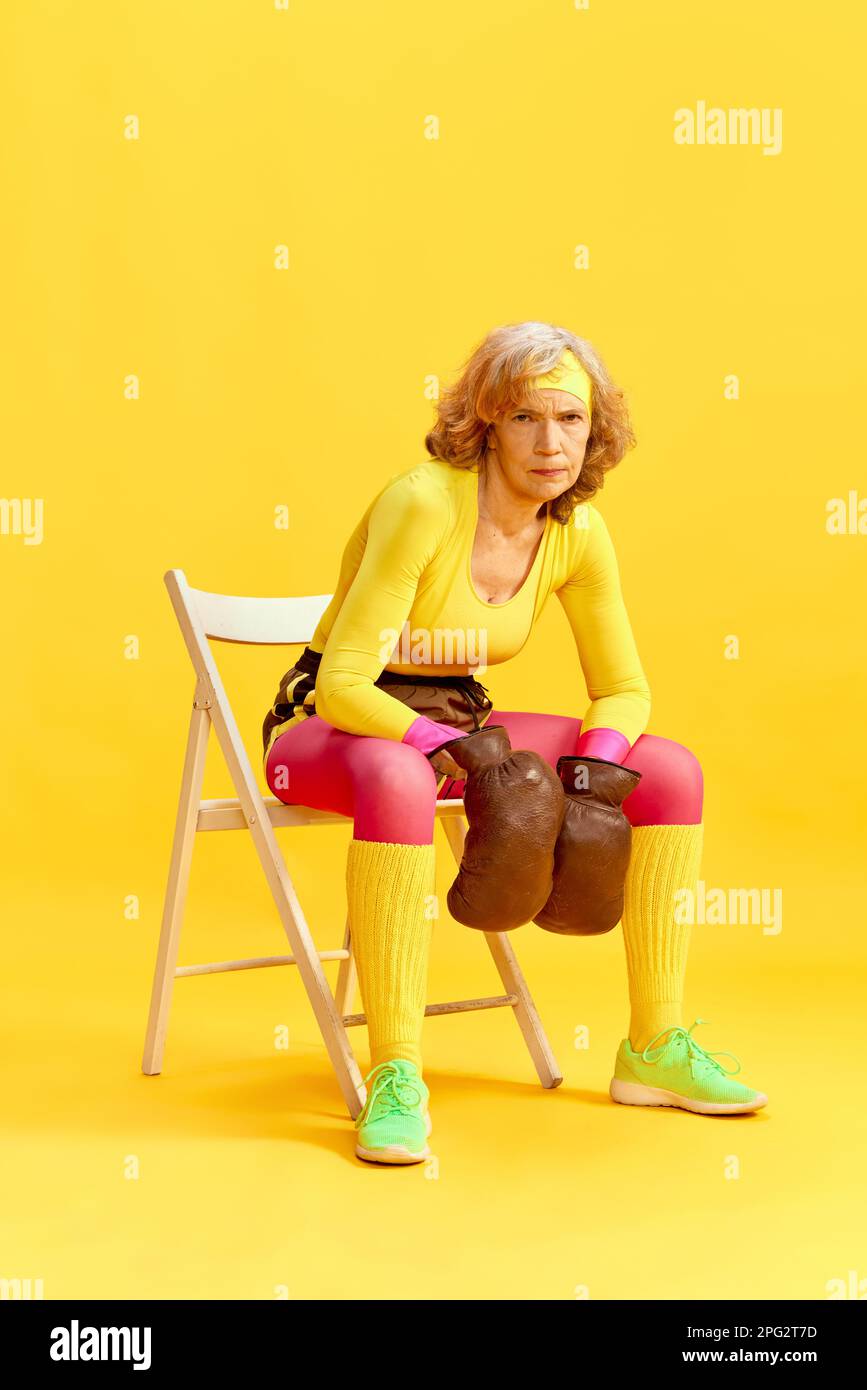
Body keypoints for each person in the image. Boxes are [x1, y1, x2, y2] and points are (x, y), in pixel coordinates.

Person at [262, 321, 768, 1164]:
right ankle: (394, 1074)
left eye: (570, 421)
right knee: (399, 779)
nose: (550, 443)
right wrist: (453, 749)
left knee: (667, 768)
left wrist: (599, 773)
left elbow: (622, 688)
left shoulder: (576, 533)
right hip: (335, 727)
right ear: (487, 423)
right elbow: (342, 684)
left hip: (455, 726)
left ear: (594, 433)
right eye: (527, 418)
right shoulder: (423, 500)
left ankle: (652, 1046)